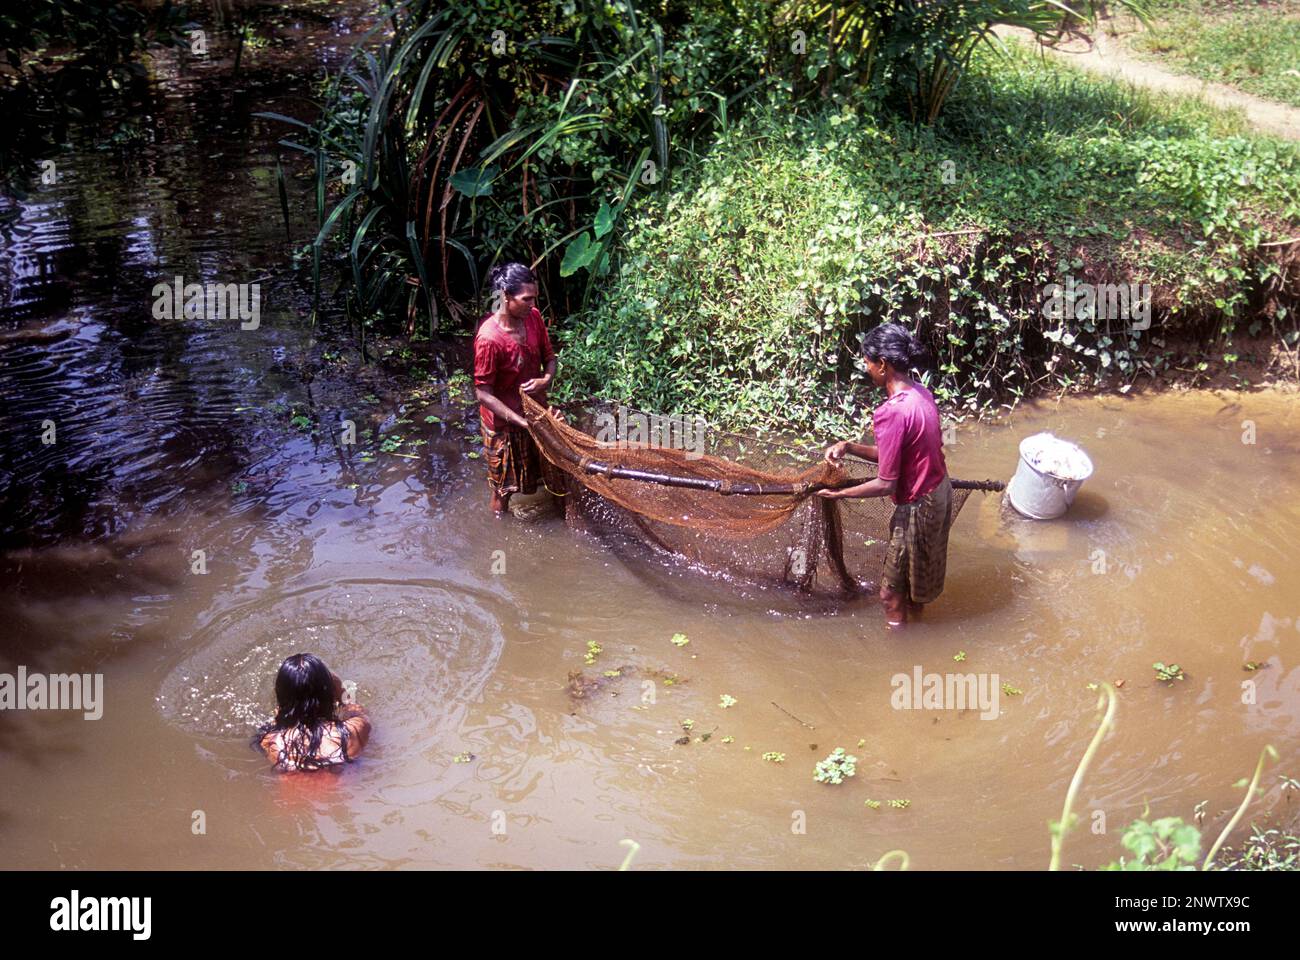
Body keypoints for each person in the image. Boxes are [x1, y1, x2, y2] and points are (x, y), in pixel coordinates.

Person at [817, 323, 953, 630]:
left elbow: (885, 483)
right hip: (940, 491)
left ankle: (902, 652)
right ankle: (921, 629)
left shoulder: (892, 411)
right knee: (916, 584)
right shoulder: (921, 393)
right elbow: (893, 454)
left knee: (890, 594)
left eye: (867, 362)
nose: (867, 369)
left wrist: (838, 495)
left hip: (920, 504)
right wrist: (848, 447)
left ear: (883, 364)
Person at [473, 262, 559, 515]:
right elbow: (483, 393)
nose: (532, 304)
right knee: (502, 489)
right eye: (526, 299)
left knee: (552, 474)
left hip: (536, 413)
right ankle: (501, 535)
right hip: (504, 425)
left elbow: (550, 359)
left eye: (534, 298)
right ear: (505, 297)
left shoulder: (533, 319)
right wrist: (521, 422)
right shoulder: (489, 338)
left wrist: (545, 379)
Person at [254, 653, 370, 771]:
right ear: (329, 693)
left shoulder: (271, 740)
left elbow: (280, 716)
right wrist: (336, 687)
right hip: (341, 787)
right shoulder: (350, 732)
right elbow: (351, 705)